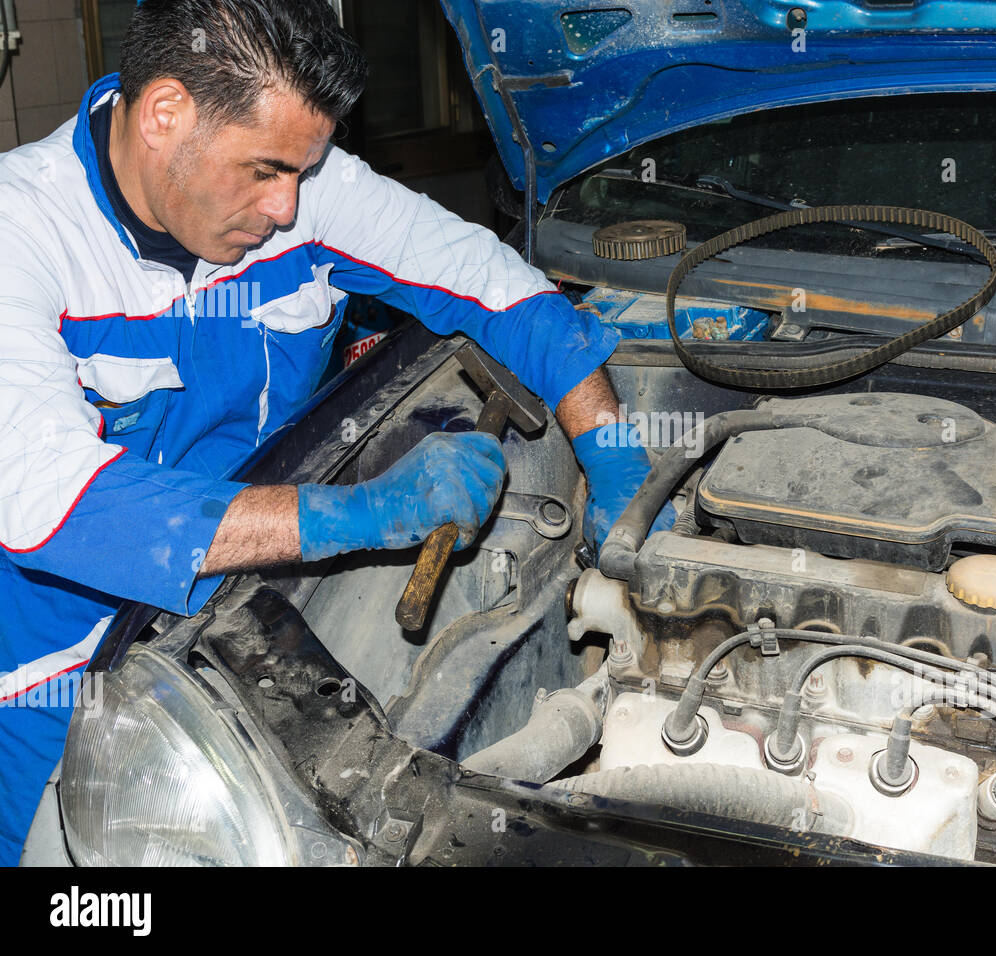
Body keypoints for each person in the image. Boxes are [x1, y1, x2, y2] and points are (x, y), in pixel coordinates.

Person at [0, 0, 667, 864]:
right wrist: (358, 514)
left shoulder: (305, 185)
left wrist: (610, 449)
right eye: (265, 170)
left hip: (250, 619)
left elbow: (492, 285)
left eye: (304, 170)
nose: (288, 206)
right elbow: (56, 501)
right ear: (165, 114)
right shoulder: (22, 232)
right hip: (55, 677)